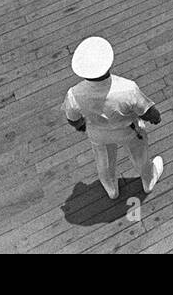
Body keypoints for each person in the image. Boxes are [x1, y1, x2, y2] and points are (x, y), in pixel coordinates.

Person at [63, 36, 165, 199]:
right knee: (140, 155)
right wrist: (155, 118)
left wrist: (80, 125)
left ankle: (111, 188)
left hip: (98, 133)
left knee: (103, 160)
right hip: (128, 130)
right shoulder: (127, 88)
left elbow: (72, 118)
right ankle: (148, 180)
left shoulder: (74, 94)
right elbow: (147, 111)